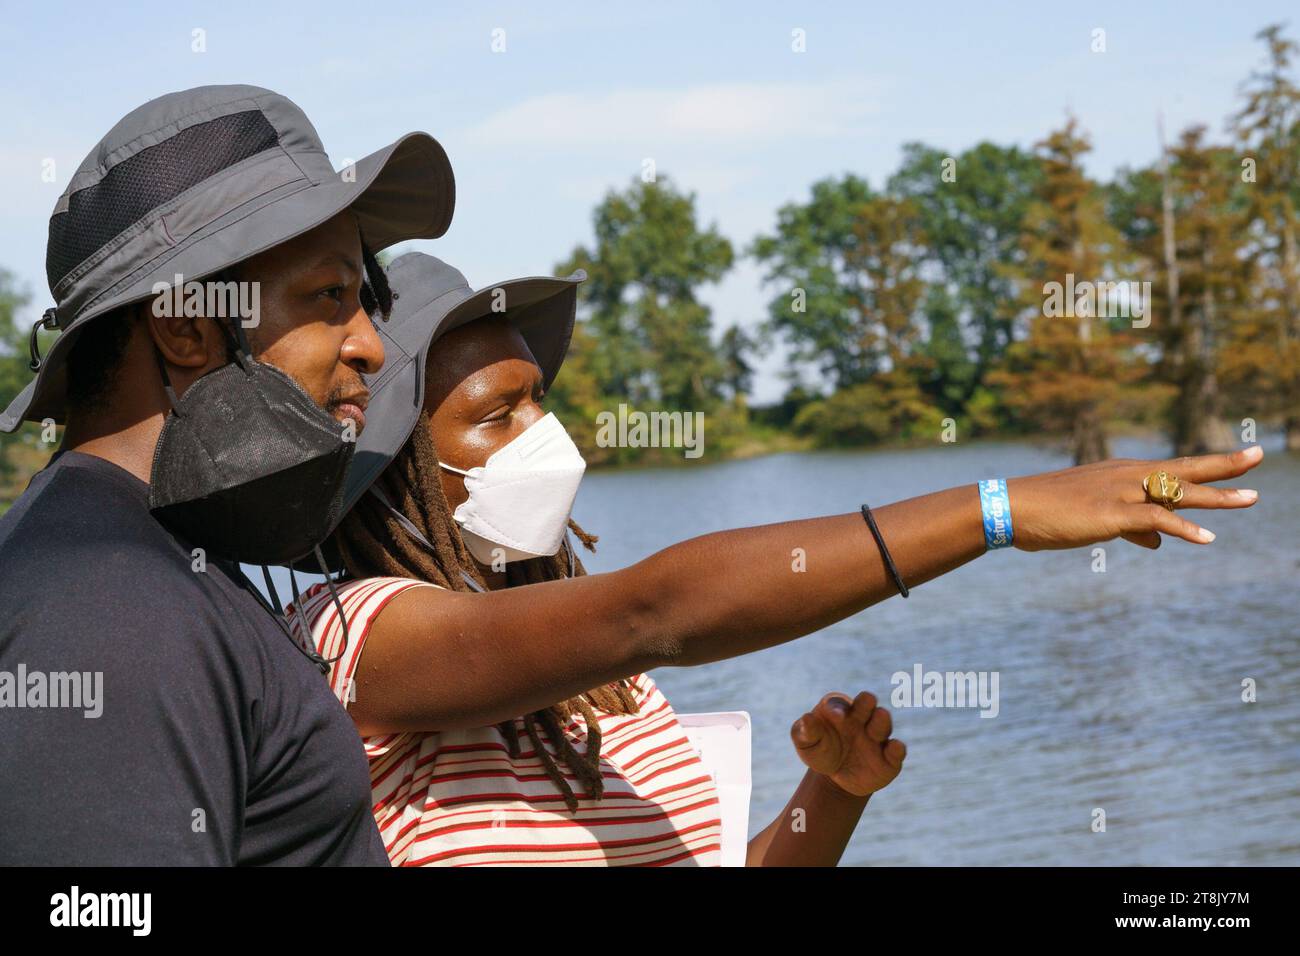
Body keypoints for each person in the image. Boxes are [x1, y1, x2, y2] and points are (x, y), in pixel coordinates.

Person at [290, 252, 1261, 866]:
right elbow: (661, 609)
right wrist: (996, 509)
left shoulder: (607, 691)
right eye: (499, 413)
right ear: (390, 471)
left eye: (540, 397)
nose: (548, 433)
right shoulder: (349, 640)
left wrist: (831, 795)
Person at [0, 85, 454, 865]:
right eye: (330, 296)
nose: (371, 347)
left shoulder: (146, 555)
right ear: (184, 326)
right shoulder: (110, 611)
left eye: (368, 303)